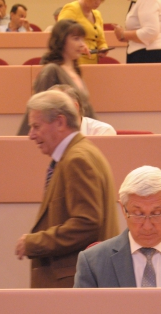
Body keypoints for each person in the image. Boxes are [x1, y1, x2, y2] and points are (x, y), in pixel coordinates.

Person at [15, 90, 120, 288]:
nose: (31, 135)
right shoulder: (78, 154)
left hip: (74, 284)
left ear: (60, 122)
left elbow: (86, 224)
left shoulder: (77, 160)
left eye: (36, 126)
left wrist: (34, 243)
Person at [17, 19, 95, 135]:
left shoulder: (76, 70)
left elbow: (87, 111)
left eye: (82, 39)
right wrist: (24, 141)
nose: (82, 44)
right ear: (62, 41)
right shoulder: (51, 71)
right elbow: (36, 108)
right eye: (76, 39)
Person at [50, 84, 117, 135]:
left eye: (56, 107)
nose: (49, 114)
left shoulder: (102, 132)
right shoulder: (48, 133)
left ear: (74, 107)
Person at [58, 0, 108, 64]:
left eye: (101, 0)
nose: (98, 2)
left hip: (93, 62)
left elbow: (101, 40)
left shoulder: (97, 14)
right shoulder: (71, 9)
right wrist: (79, 45)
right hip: (75, 62)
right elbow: (61, 34)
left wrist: (103, 48)